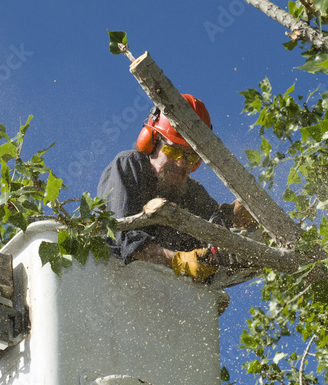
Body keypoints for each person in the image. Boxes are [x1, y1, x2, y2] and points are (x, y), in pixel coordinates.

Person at [97, 94, 238, 282]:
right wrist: (177, 261)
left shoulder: (193, 192)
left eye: (191, 158)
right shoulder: (130, 166)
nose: (181, 164)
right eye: (172, 151)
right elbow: (119, 234)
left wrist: (241, 214)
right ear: (150, 140)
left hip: (171, 294)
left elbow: (218, 229)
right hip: (119, 282)